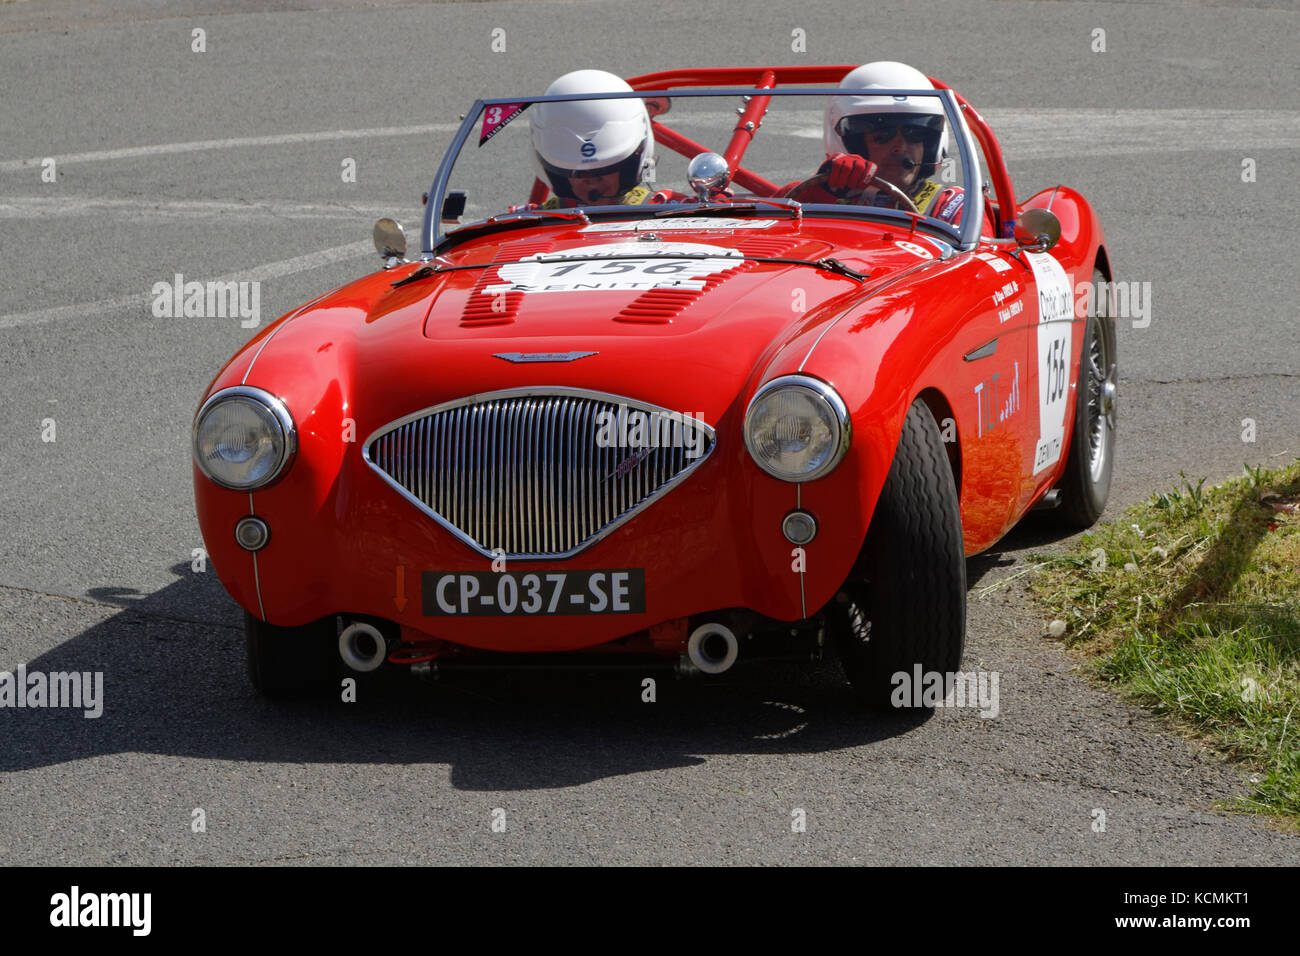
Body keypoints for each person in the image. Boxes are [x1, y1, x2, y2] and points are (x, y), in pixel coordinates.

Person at [781, 61, 964, 224]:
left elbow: (974, 248)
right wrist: (819, 191)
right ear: (854, 143)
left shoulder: (950, 206)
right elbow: (767, 231)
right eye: (883, 134)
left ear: (931, 144)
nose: (900, 147)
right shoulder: (806, 196)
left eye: (915, 134)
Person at [526, 69, 657, 208]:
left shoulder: (670, 208)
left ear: (631, 165)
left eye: (605, 169)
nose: (592, 182)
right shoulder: (529, 218)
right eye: (577, 173)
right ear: (557, 176)